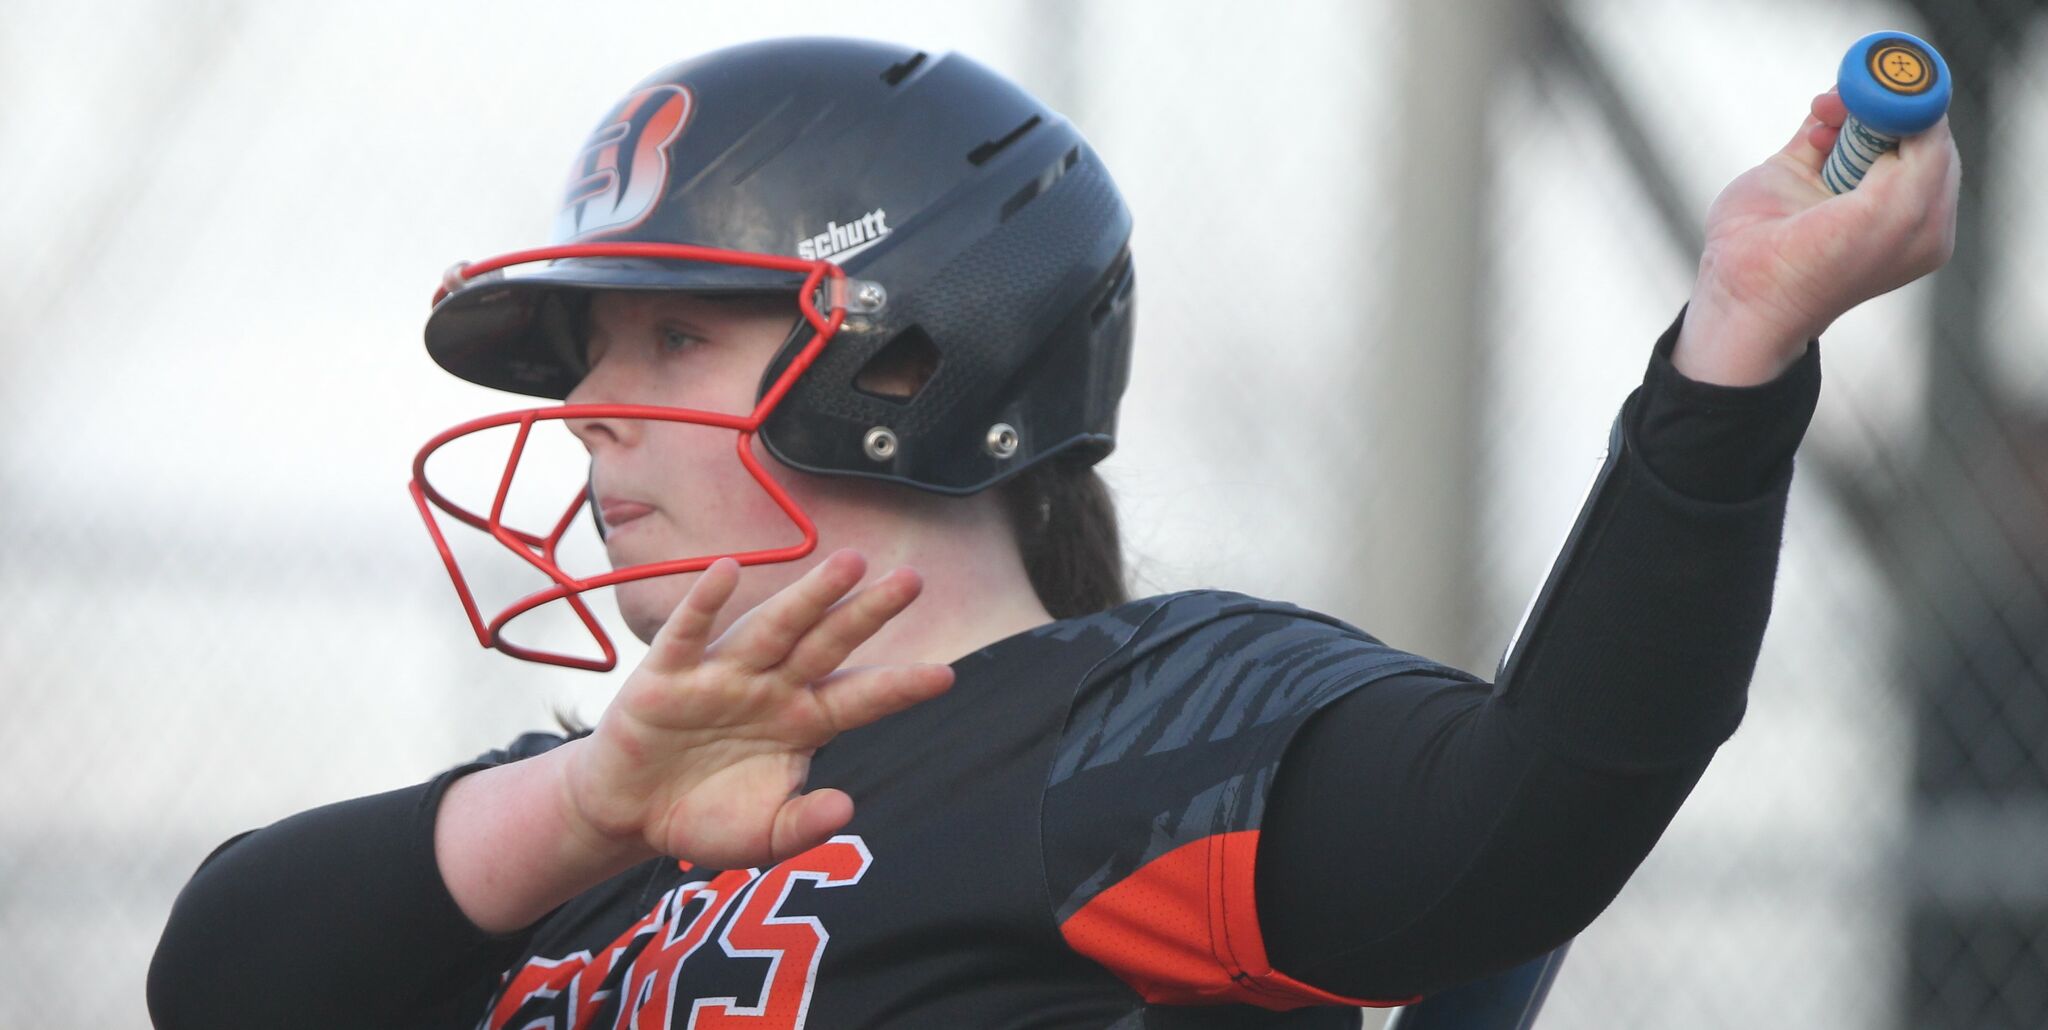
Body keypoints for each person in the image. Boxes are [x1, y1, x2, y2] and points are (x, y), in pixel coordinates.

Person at [147, 36, 1958, 1029]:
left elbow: (1528, 813)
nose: (593, 407)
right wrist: (582, 805)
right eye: (586, 358)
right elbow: (214, 976)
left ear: (911, 359)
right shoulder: (585, 817)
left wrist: (1731, 354)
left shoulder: (1123, 726)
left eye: (675, 335)